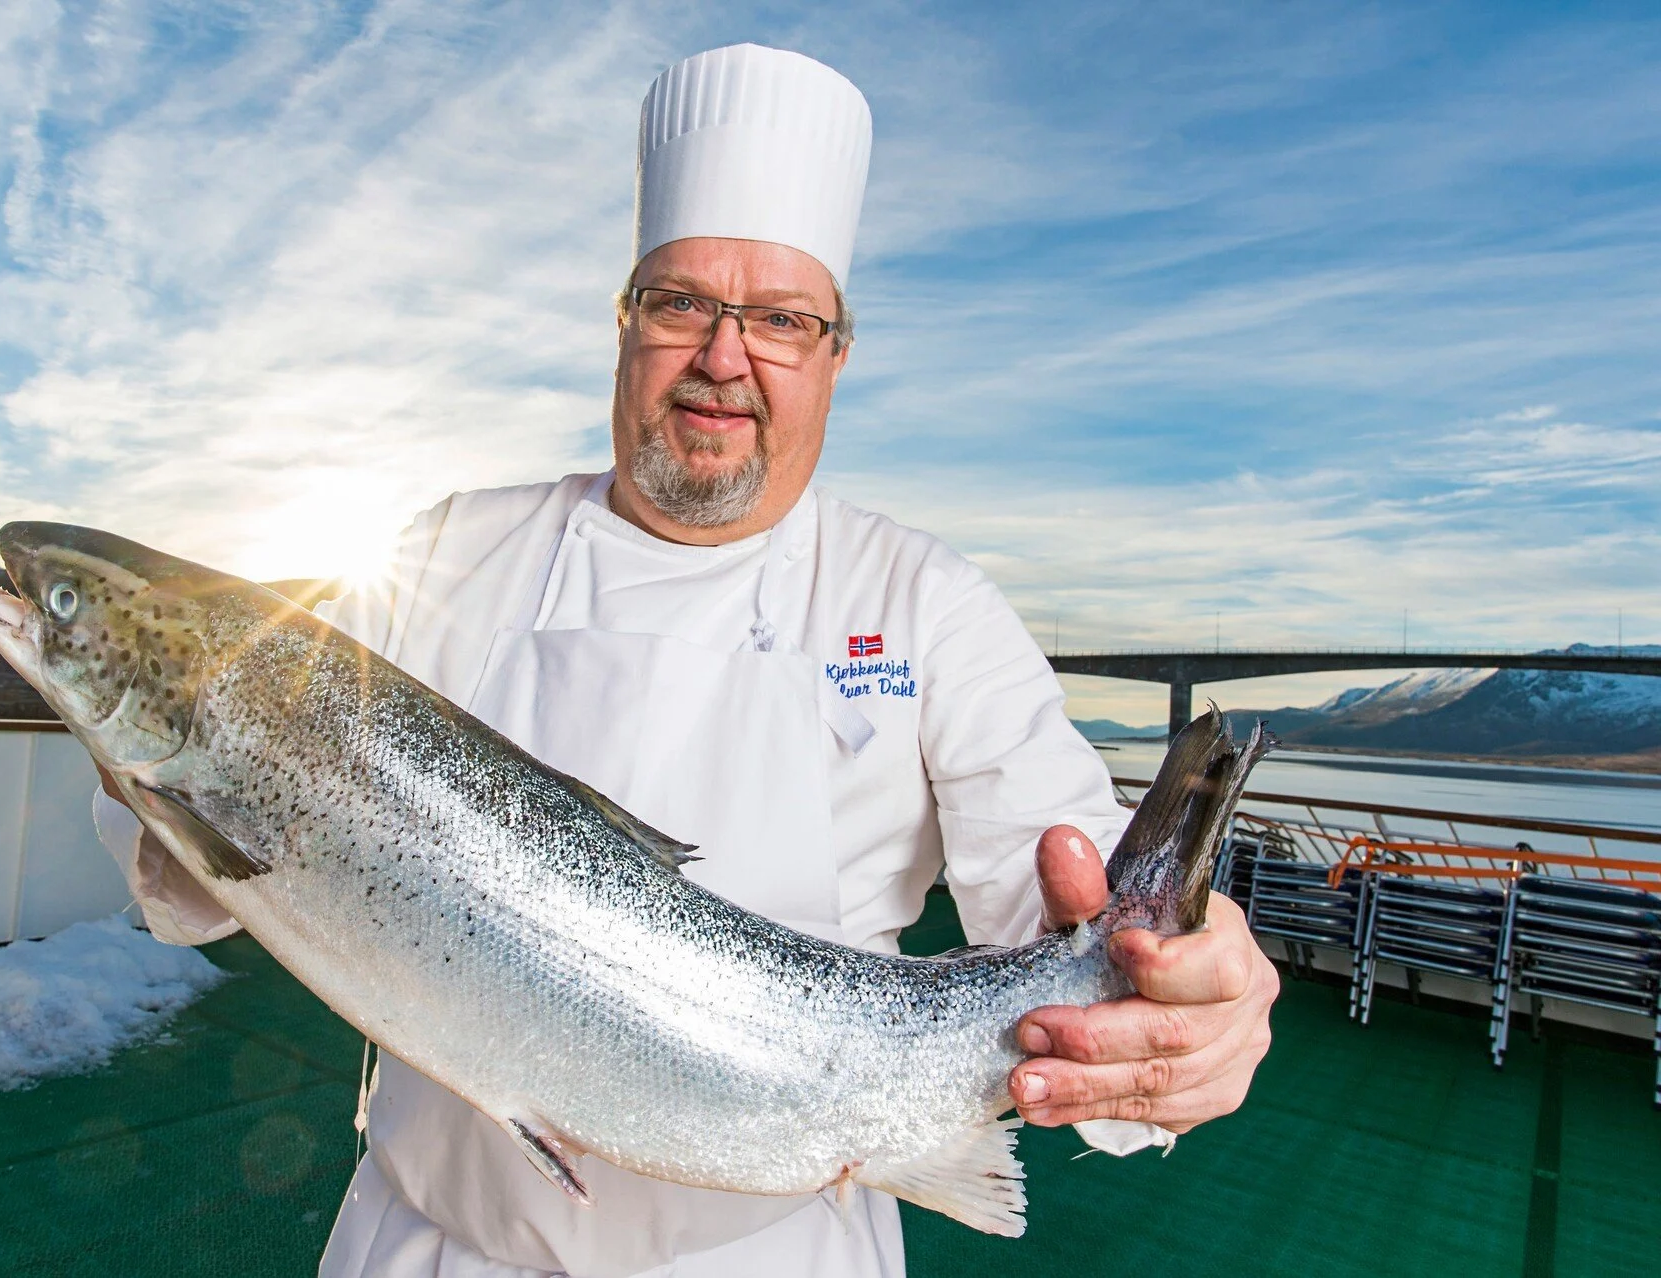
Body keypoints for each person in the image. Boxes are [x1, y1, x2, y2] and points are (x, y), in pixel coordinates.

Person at [92, 43, 1277, 1278]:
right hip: (428, 1244)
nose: (725, 357)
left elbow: (1082, 914)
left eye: (780, 320)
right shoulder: (446, 550)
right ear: (624, 323)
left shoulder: (928, 604)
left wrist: (1183, 1004)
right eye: (682, 305)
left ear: (836, 356)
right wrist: (150, 747)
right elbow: (191, 868)